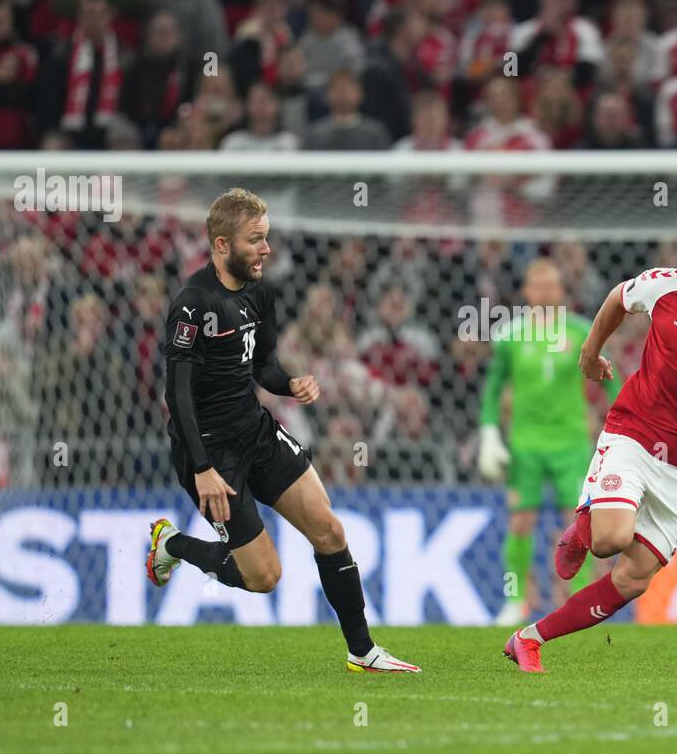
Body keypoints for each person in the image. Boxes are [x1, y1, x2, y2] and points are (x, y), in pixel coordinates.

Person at [504, 204, 677, 672]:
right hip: (635, 432)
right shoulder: (665, 284)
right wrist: (590, 351)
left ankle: (529, 639)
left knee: (635, 579)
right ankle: (583, 530)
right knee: (608, 540)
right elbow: (618, 298)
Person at [147, 188, 418, 674]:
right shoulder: (193, 304)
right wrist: (204, 470)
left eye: (267, 237)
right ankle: (172, 544)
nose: (267, 249)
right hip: (209, 453)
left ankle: (363, 651)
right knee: (264, 577)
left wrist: (290, 382)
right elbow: (178, 395)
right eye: (256, 240)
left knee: (329, 529)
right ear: (222, 245)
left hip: (256, 432)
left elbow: (262, 367)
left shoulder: (260, 292)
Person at [478, 258, 622, 624]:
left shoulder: (581, 332)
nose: (544, 293)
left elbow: (610, 379)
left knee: (577, 525)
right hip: (525, 445)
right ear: (526, 291)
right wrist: (490, 433)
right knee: (520, 521)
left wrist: (622, 423)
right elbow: (493, 389)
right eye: (537, 286)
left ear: (561, 291)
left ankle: (575, 600)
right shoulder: (509, 336)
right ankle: (516, 600)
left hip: (571, 443)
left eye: (551, 286)